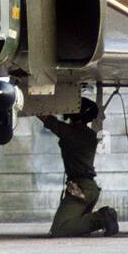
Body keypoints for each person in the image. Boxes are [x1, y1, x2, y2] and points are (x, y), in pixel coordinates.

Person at [37, 99, 119, 237]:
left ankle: (102, 217)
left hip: (81, 188)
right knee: (76, 225)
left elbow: (48, 120)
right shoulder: (89, 134)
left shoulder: (72, 133)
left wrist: (31, 103)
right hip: (88, 187)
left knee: (60, 229)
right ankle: (102, 218)